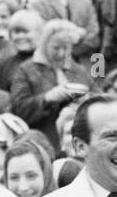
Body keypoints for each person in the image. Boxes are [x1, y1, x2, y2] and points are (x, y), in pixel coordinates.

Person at [10, 19, 91, 153]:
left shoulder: (78, 70)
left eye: (66, 48)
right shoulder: (26, 70)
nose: (61, 53)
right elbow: (18, 109)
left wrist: (85, 101)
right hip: (42, 142)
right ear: (44, 44)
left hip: (76, 144)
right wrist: (47, 98)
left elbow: (97, 95)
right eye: (56, 48)